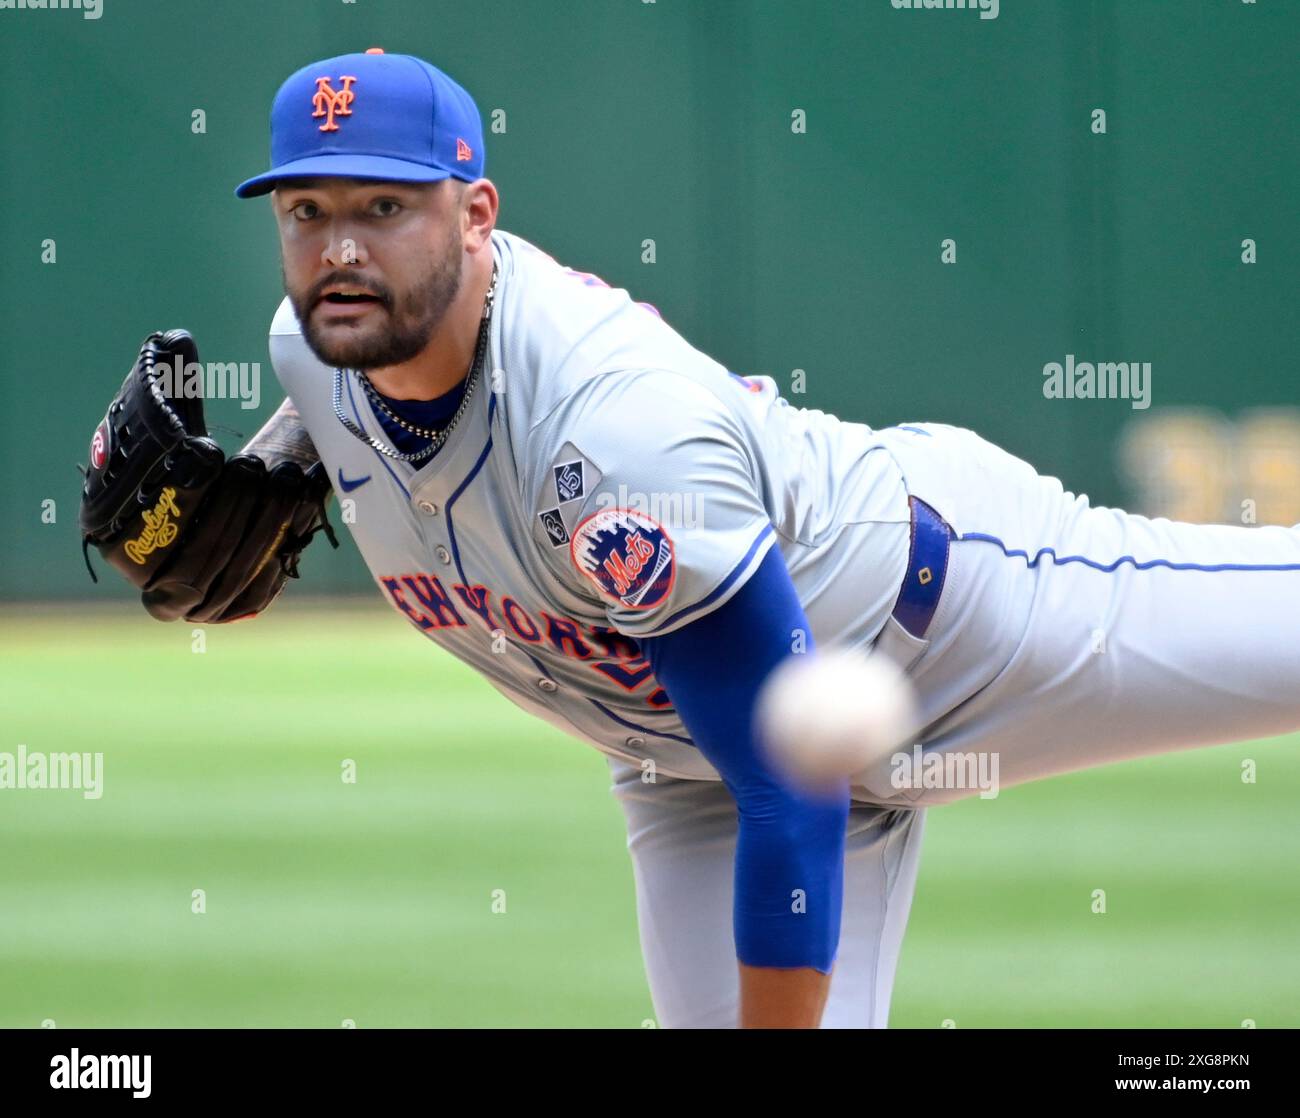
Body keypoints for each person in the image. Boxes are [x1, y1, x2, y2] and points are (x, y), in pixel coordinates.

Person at [124, 48, 1300, 1028]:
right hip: (687, 768)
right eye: (307, 211)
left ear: (475, 215)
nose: (340, 249)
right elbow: (345, 429)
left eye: (384, 207)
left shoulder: (613, 436)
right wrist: (272, 470)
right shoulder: (313, 349)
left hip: (959, 618)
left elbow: (794, 785)